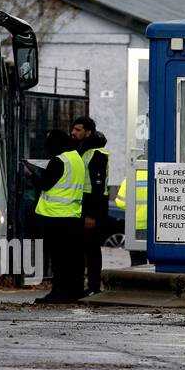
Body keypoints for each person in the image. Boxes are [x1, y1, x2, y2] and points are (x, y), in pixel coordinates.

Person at [27, 129, 89, 303]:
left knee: (59, 258)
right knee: (73, 258)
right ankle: (75, 290)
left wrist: (33, 176)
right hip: (73, 216)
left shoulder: (59, 160)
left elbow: (46, 184)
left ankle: (58, 292)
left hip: (56, 217)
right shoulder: (76, 159)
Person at [71, 116, 109, 295]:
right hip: (83, 203)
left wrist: (91, 214)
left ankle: (93, 286)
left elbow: (97, 185)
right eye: (73, 129)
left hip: (93, 204)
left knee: (92, 248)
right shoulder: (82, 151)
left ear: (88, 132)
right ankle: (82, 285)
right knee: (82, 247)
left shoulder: (96, 154)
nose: (73, 133)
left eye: (78, 130)